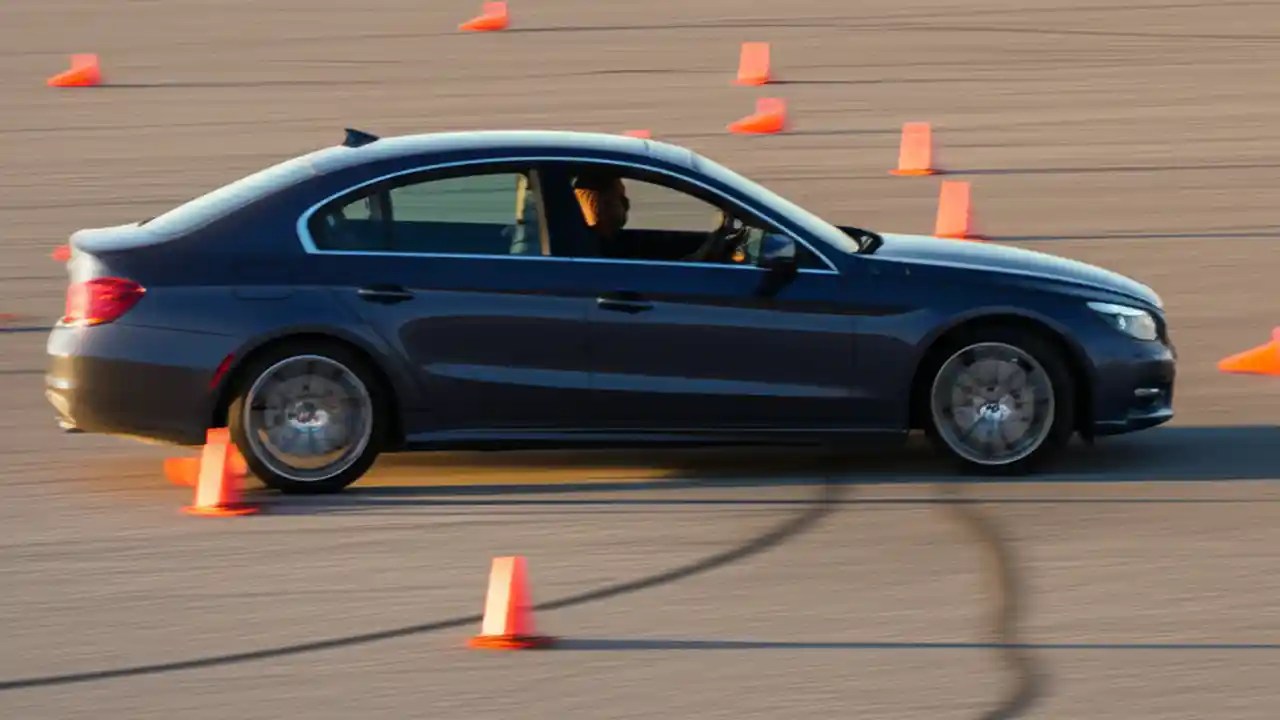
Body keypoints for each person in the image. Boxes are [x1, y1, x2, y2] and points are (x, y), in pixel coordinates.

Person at [571, 170, 739, 263]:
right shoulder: (598, 257)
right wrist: (712, 246)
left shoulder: (597, 243)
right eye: (620, 197)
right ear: (603, 205)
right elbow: (677, 276)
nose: (627, 203)